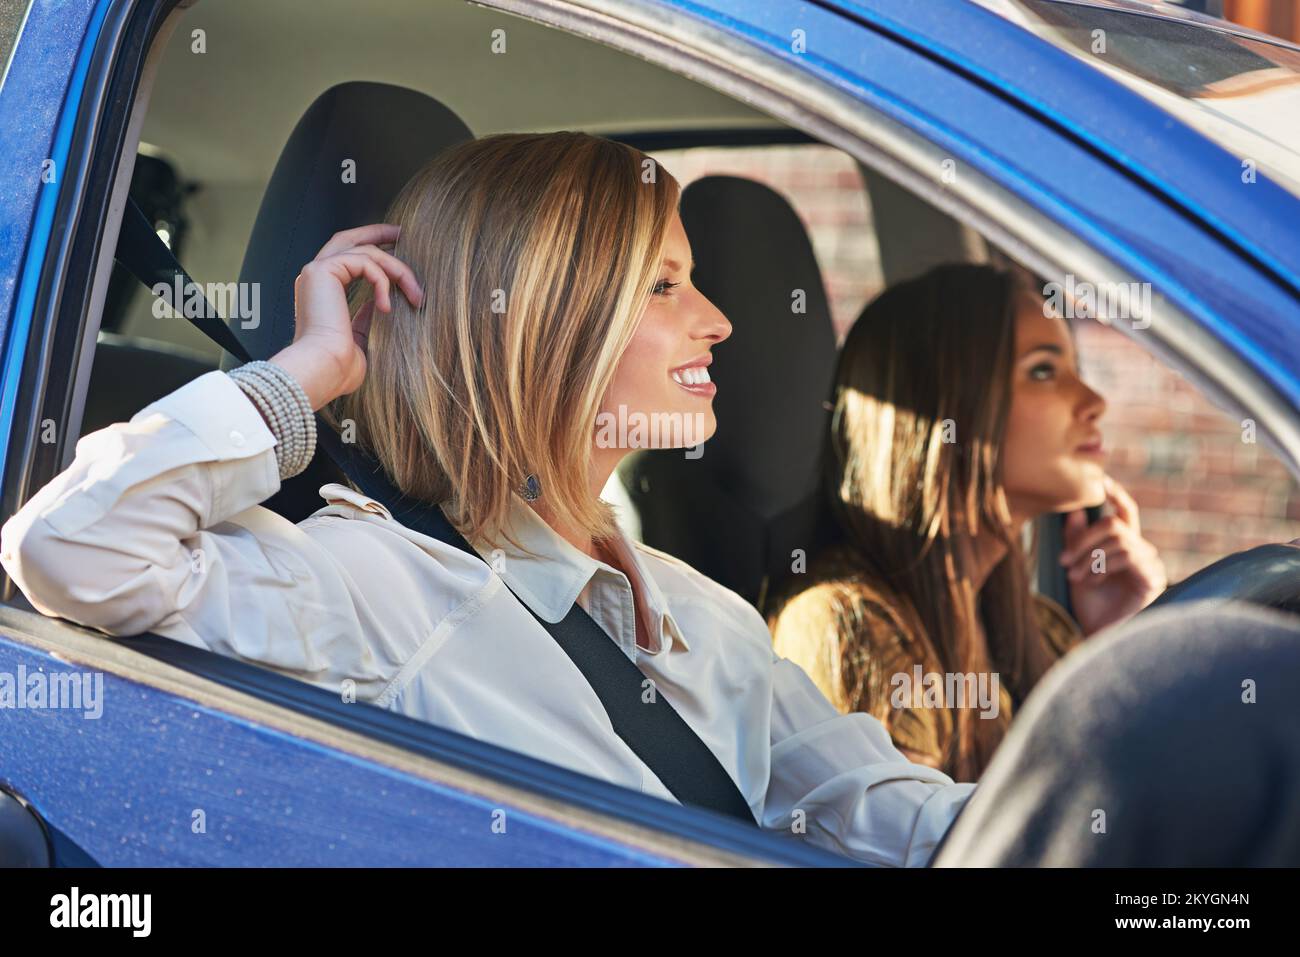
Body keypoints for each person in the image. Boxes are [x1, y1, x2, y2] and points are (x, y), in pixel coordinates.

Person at [0, 132, 972, 867]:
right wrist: (304, 374)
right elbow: (76, 549)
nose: (716, 322)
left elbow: (906, 823)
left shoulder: (702, 619)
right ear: (539, 316)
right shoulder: (376, 588)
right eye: (663, 286)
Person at [767, 264, 1167, 782]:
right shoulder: (846, 629)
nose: (1094, 402)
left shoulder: (1036, 628)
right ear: (947, 411)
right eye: (1043, 371)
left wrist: (1120, 631)